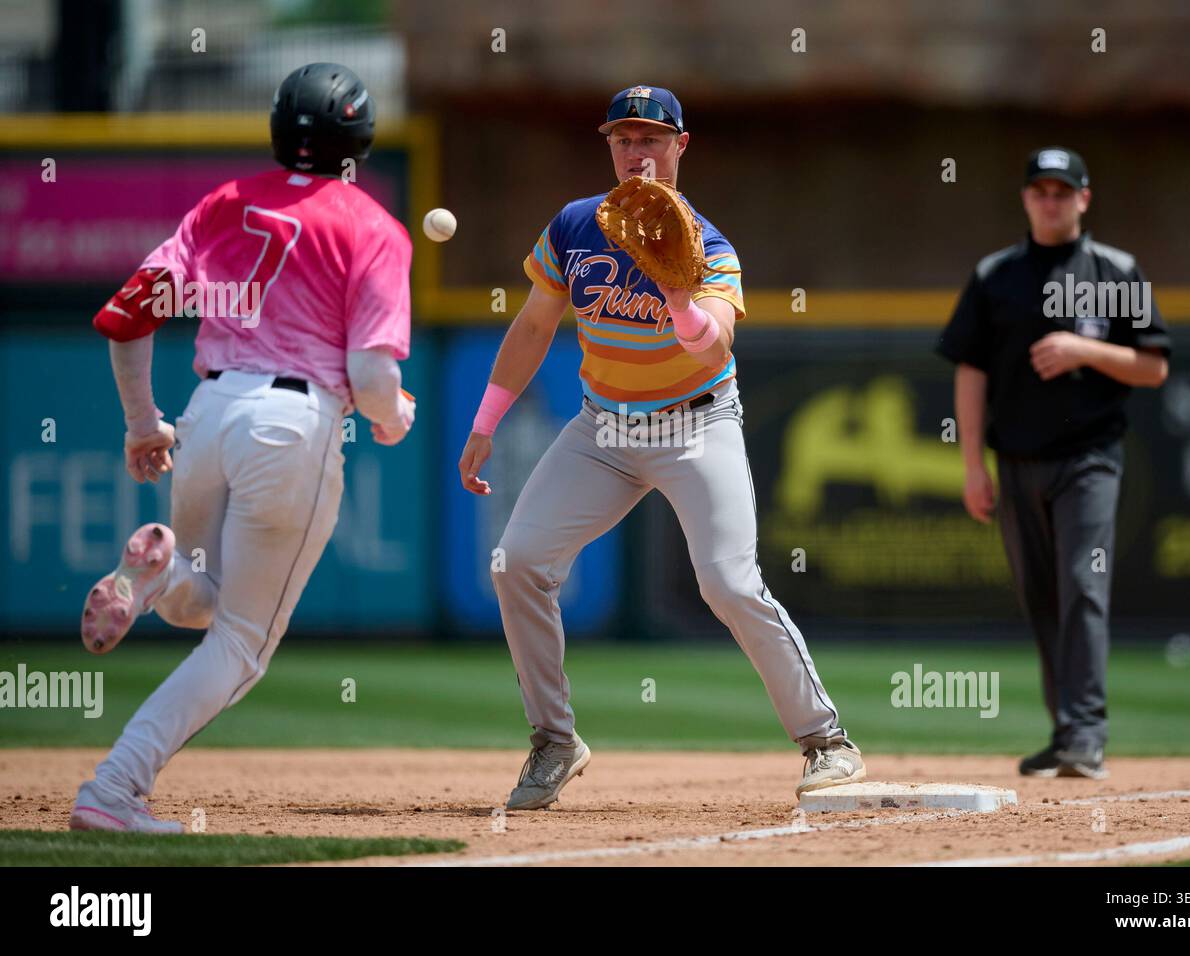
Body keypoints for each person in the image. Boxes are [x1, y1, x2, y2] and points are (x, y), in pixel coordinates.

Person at [458, 85, 864, 811]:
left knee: (730, 584)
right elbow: (532, 326)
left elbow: (717, 347)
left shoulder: (707, 245)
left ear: (682, 146)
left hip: (695, 424)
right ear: (608, 147)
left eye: (651, 138)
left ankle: (827, 742)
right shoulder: (575, 226)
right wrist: (487, 420)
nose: (636, 152)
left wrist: (679, 296)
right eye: (623, 138)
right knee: (516, 562)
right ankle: (554, 741)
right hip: (602, 430)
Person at [71, 63, 415, 832]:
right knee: (244, 646)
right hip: (294, 422)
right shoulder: (373, 226)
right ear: (358, 139)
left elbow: (126, 318)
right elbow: (370, 372)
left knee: (202, 602)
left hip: (209, 409)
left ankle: (155, 580)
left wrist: (141, 424)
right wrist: (392, 419)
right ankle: (113, 789)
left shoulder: (223, 203)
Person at [936, 147, 1172, 780]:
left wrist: (1085, 350)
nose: (1050, 200)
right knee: (1042, 596)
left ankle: (1087, 732)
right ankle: (1066, 729)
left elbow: (1154, 366)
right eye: (1040, 190)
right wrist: (972, 467)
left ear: (1083, 199)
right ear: (1025, 198)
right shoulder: (996, 274)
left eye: (1062, 191)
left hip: (1089, 458)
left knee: (1082, 585)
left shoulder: (1115, 270)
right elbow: (970, 369)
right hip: (1014, 461)